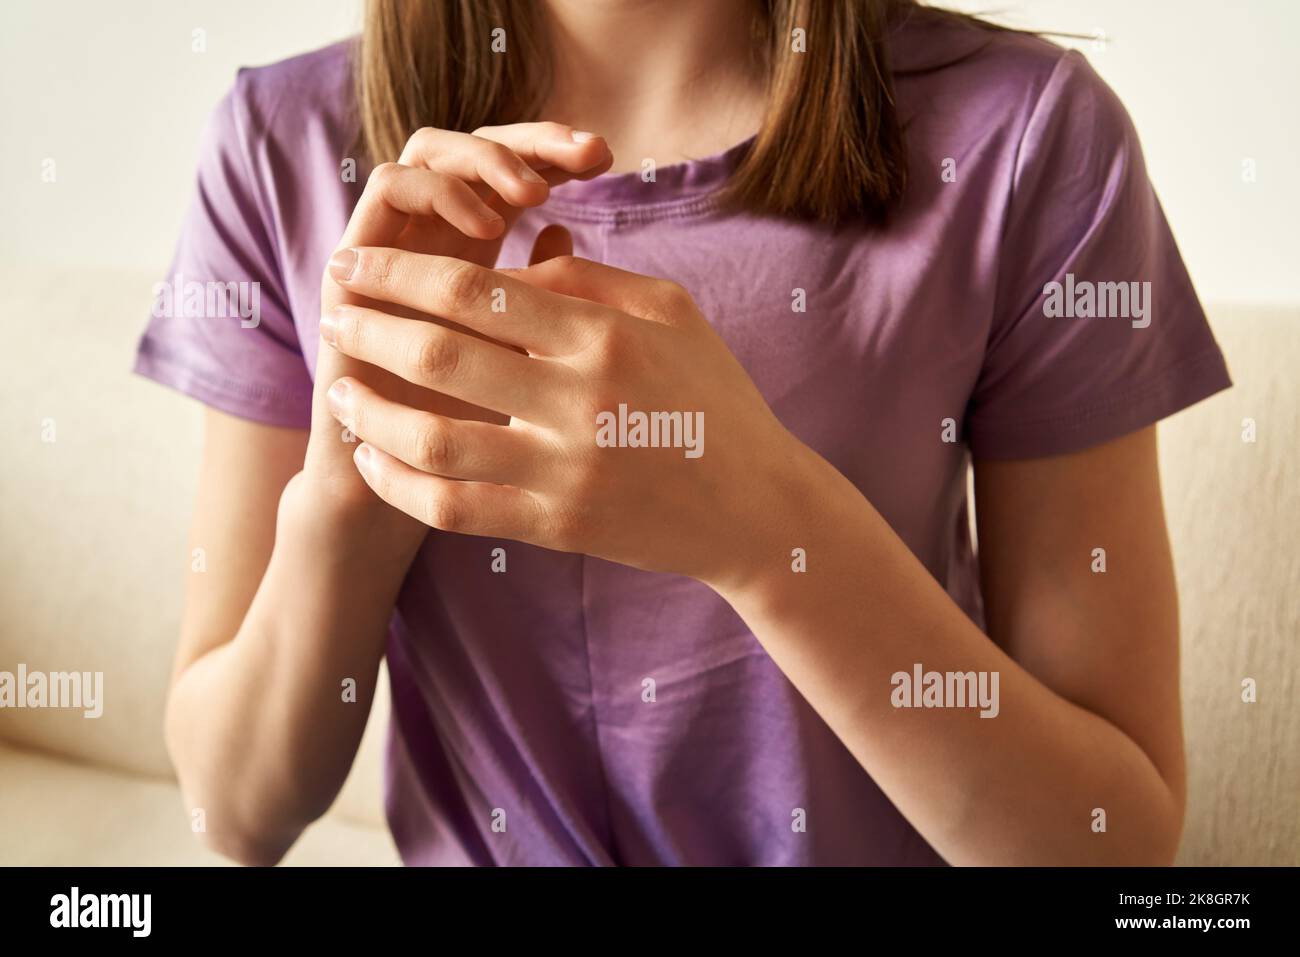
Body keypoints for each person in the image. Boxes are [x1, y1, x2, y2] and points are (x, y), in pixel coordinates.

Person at [134, 0, 1232, 865]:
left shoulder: (1025, 136)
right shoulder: (279, 145)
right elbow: (234, 812)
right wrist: (356, 485)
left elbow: (1111, 843)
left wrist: (768, 536)